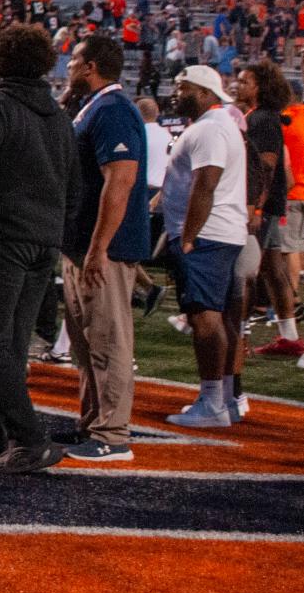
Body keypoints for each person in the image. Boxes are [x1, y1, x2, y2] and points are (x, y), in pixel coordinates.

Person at [0, 24, 75, 472]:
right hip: (42, 240)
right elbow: (73, 183)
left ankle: (28, 438)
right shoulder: (58, 115)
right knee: (11, 343)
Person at [59, 35, 149, 462]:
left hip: (100, 249)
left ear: (91, 66)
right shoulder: (94, 107)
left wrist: (99, 247)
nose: (69, 66)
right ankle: (93, 423)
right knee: (88, 341)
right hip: (83, 245)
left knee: (109, 339)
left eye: (74, 60)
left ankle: (113, 434)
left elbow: (121, 180)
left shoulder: (112, 110)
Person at [159, 65, 251, 428]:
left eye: (183, 87)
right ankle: (224, 399)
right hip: (221, 232)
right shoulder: (216, 125)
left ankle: (213, 401)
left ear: (205, 92)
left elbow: (205, 184)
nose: (176, 93)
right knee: (222, 315)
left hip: (208, 234)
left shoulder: (210, 128)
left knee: (205, 317)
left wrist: (188, 235)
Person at [254, 66, 304, 360]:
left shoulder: (282, 122)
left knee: (285, 252)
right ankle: (288, 329)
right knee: (280, 257)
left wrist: (258, 204)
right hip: (294, 193)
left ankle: (286, 303)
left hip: (289, 194)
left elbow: (277, 165)